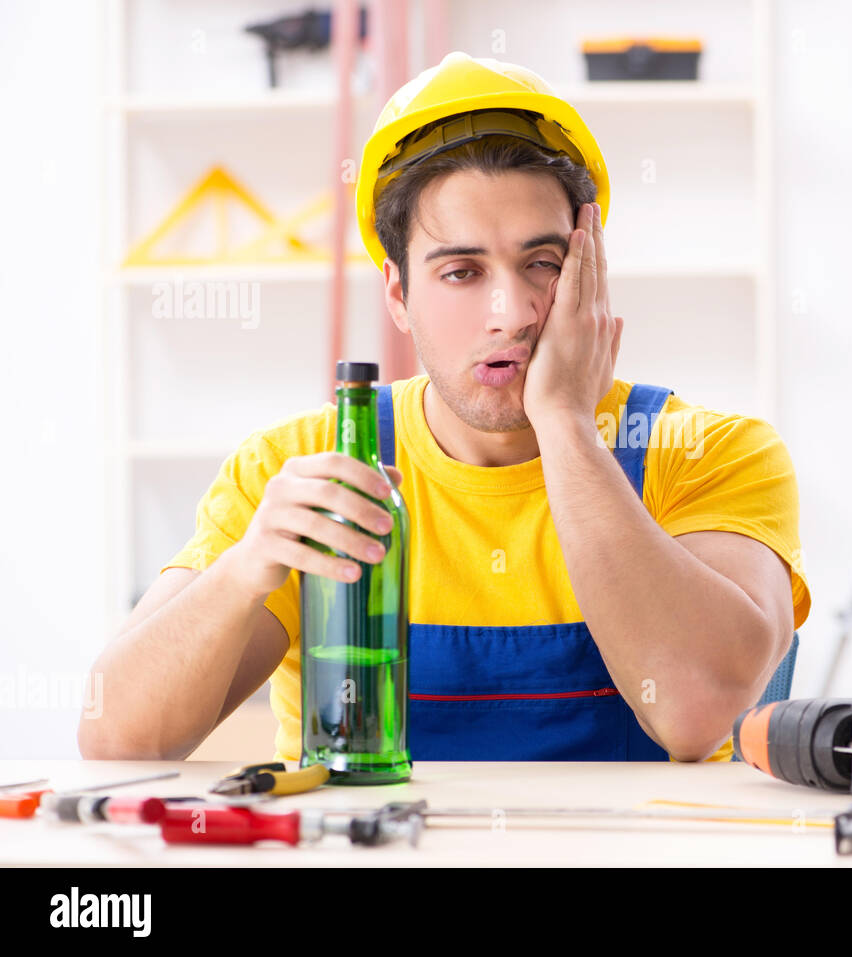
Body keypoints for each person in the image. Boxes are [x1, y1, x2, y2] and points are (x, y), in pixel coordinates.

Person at [80, 52, 811, 764]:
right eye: (462, 271)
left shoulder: (708, 453)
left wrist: (562, 422)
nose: (511, 312)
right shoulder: (302, 469)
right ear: (397, 295)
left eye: (543, 264)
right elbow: (116, 736)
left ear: (591, 273)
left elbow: (693, 711)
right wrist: (247, 568)